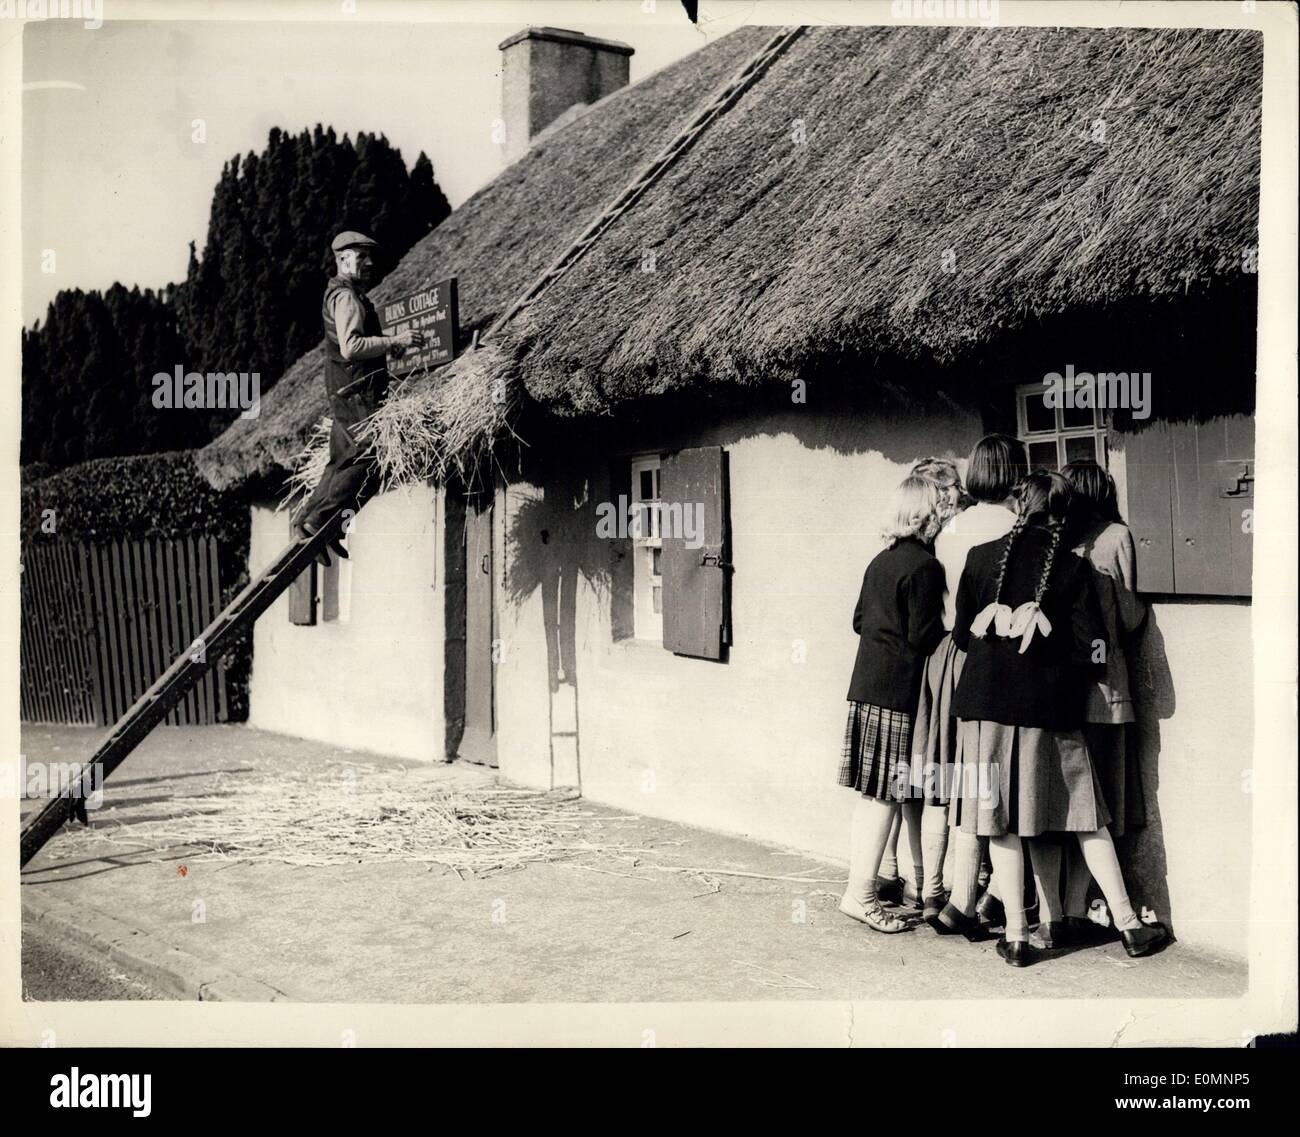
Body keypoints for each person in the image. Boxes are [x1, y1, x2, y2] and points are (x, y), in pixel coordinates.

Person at [947, 470, 1167, 966]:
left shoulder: (979, 557)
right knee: (1087, 817)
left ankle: (1018, 936)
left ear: (1017, 507)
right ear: (1063, 514)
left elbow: (961, 637)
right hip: (1052, 712)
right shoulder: (1074, 570)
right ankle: (1131, 926)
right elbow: (1094, 653)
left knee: (998, 822)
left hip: (984, 712)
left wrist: (999, 622)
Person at [922, 435, 1028, 938]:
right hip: (1007, 662)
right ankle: (994, 896)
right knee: (1011, 781)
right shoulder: (1021, 529)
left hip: (955, 657)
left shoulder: (951, 529)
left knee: (966, 780)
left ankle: (958, 896)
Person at [838, 476, 948, 934]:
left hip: (866, 687)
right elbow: (924, 636)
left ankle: (857, 891)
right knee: (885, 797)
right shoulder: (925, 566)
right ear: (927, 515)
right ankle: (861, 896)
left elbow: (859, 619)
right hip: (897, 693)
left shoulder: (879, 561)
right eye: (940, 509)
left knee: (872, 797)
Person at [1052, 460, 1148, 942]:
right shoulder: (1116, 536)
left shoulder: (1059, 542)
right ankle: (1113, 913)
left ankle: (1065, 909)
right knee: (1105, 805)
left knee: (1072, 807)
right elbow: (1131, 617)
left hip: (1063, 692)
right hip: (1107, 691)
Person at [293, 231, 425, 565]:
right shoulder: (347, 298)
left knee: (340, 461)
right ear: (343, 258)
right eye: (361, 257)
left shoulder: (338, 294)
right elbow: (351, 347)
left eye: (370, 257)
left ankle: (308, 522)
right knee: (370, 457)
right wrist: (394, 341)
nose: (369, 264)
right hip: (357, 391)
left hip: (345, 391)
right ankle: (323, 521)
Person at [874, 457, 968, 920]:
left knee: (907, 777)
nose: (953, 500)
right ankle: (926, 883)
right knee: (921, 776)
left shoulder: (892, 553)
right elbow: (929, 626)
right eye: (948, 491)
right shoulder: (934, 551)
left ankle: (904, 875)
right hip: (932, 667)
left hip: (899, 672)